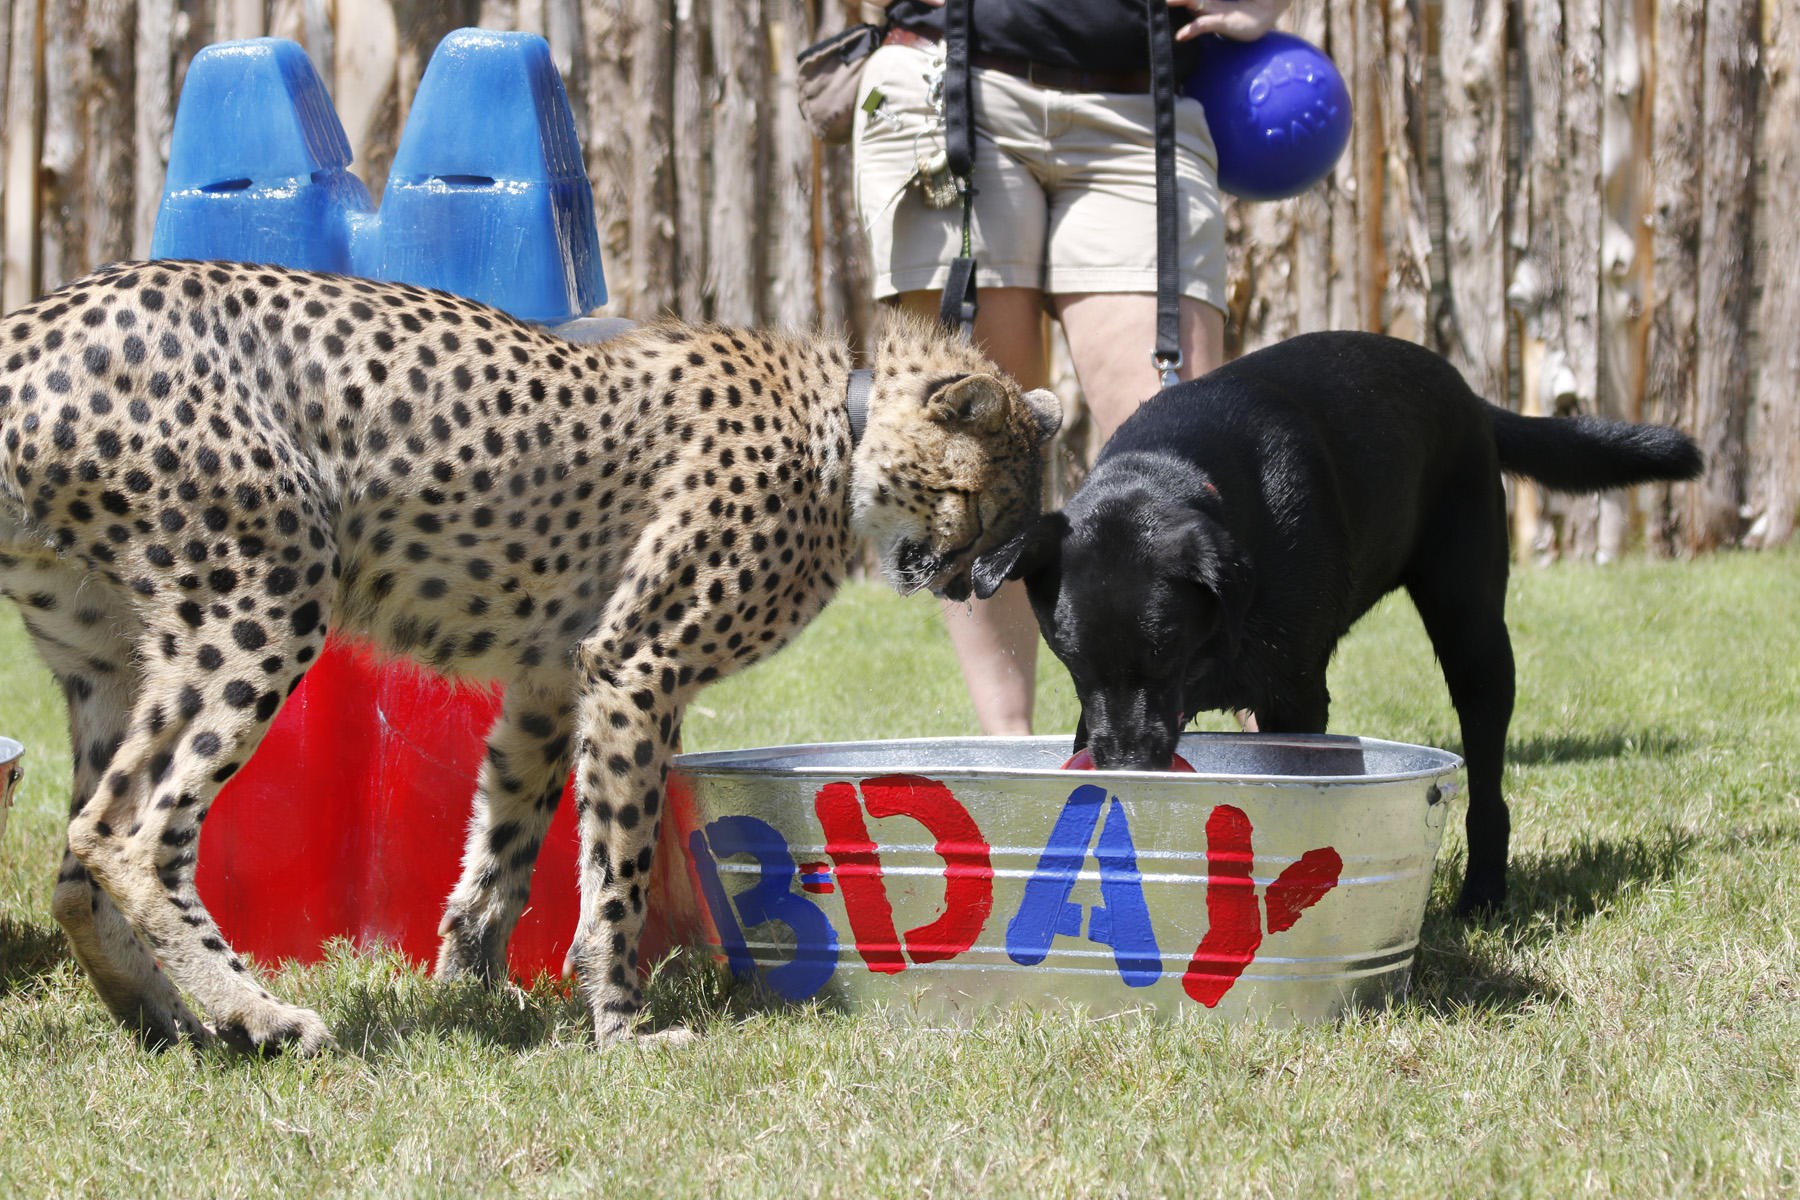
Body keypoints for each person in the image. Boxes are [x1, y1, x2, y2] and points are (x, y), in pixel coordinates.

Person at [852, 0, 1292, 734]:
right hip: (949, 81)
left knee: (1184, 460)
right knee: (972, 462)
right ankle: (1013, 764)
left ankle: (1271, 764)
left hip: (1139, 98)